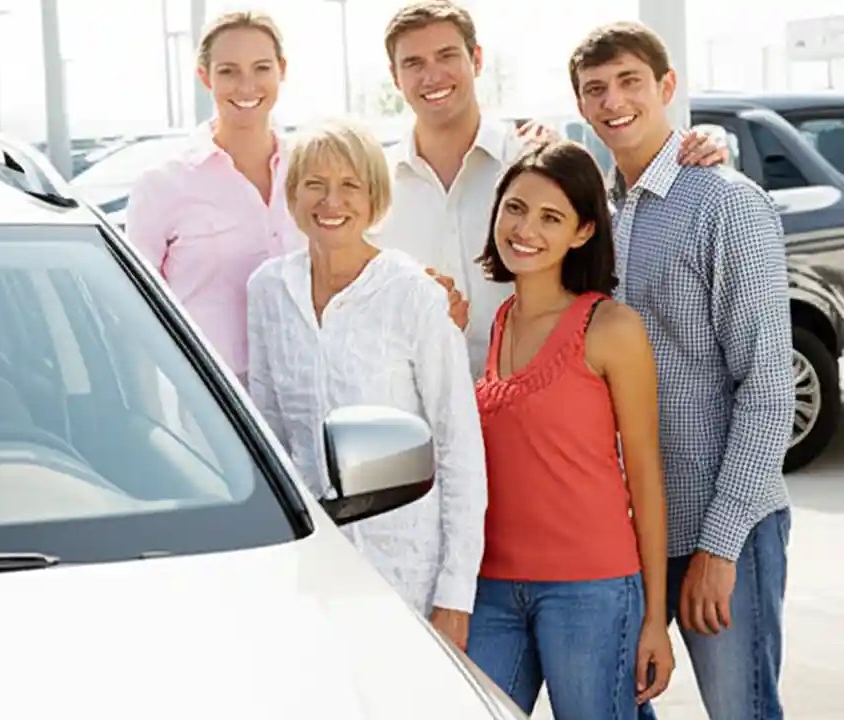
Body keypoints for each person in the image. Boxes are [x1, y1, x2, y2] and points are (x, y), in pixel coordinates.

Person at [570, 22, 795, 720]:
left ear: (667, 87)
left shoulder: (727, 204)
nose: (614, 102)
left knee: (741, 710)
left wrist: (720, 548)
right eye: (595, 89)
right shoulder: (594, 214)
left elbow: (767, 389)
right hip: (627, 525)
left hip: (719, 521)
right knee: (610, 699)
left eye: (630, 81)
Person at [369, 1, 728, 379]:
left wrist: (695, 149)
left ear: (476, 60)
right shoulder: (373, 187)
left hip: (534, 414)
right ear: (394, 77)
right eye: (414, 63)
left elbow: (605, 249)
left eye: (447, 55)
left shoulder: (534, 164)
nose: (433, 75)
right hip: (418, 418)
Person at [246, 119, 487, 650]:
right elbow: (268, 432)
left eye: (350, 185)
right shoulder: (268, 290)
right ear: (294, 192)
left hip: (405, 569)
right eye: (315, 183)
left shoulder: (413, 294)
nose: (332, 201)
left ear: (374, 197)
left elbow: (458, 446)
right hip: (311, 567)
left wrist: (454, 595)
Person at [467, 140, 672, 717]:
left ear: (582, 232)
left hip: (592, 591)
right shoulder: (496, 322)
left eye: (550, 217)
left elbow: (645, 476)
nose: (525, 228)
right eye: (515, 207)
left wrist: (654, 618)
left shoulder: (611, 327)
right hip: (494, 586)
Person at [125, 11, 303, 385]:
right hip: (208, 406)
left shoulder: (311, 171)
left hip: (303, 393)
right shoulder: (163, 185)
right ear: (204, 76)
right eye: (228, 71)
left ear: (281, 70)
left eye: (261, 68)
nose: (246, 85)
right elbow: (134, 315)